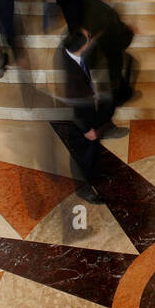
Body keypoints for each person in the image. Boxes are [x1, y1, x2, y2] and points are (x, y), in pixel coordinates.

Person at [58, 30, 116, 203]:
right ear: (82, 46)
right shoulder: (71, 75)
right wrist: (85, 129)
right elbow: (73, 107)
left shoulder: (73, 53)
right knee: (81, 154)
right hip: (80, 121)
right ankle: (83, 189)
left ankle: (95, 173)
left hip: (89, 110)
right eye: (87, 39)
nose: (89, 40)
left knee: (92, 148)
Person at [83, 0, 137, 109]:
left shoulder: (91, 4)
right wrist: (130, 33)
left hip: (87, 53)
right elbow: (118, 43)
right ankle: (117, 96)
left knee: (126, 60)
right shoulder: (109, 13)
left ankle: (120, 92)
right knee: (127, 60)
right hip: (101, 58)